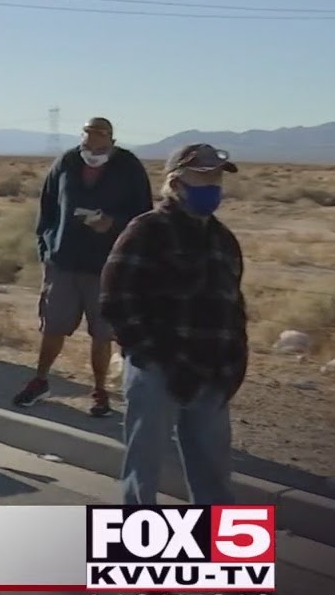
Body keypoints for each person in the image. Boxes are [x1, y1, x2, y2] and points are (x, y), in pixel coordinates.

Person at [100, 144, 244, 505]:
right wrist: (153, 356)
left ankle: (221, 558)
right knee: (143, 473)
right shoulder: (147, 230)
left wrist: (235, 362)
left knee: (215, 477)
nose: (211, 185)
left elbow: (233, 306)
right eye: (202, 176)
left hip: (211, 372)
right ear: (176, 182)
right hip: (156, 371)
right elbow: (116, 300)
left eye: (215, 177)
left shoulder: (224, 239)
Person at [12, 117, 153, 418]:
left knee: (102, 332)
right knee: (53, 326)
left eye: (99, 135)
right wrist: (46, 250)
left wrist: (111, 223)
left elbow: (143, 215)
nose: (92, 141)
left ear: (111, 140)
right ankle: (40, 380)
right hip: (64, 263)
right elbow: (47, 208)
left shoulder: (128, 167)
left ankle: (100, 391)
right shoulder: (66, 162)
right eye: (88, 135)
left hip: (106, 267)